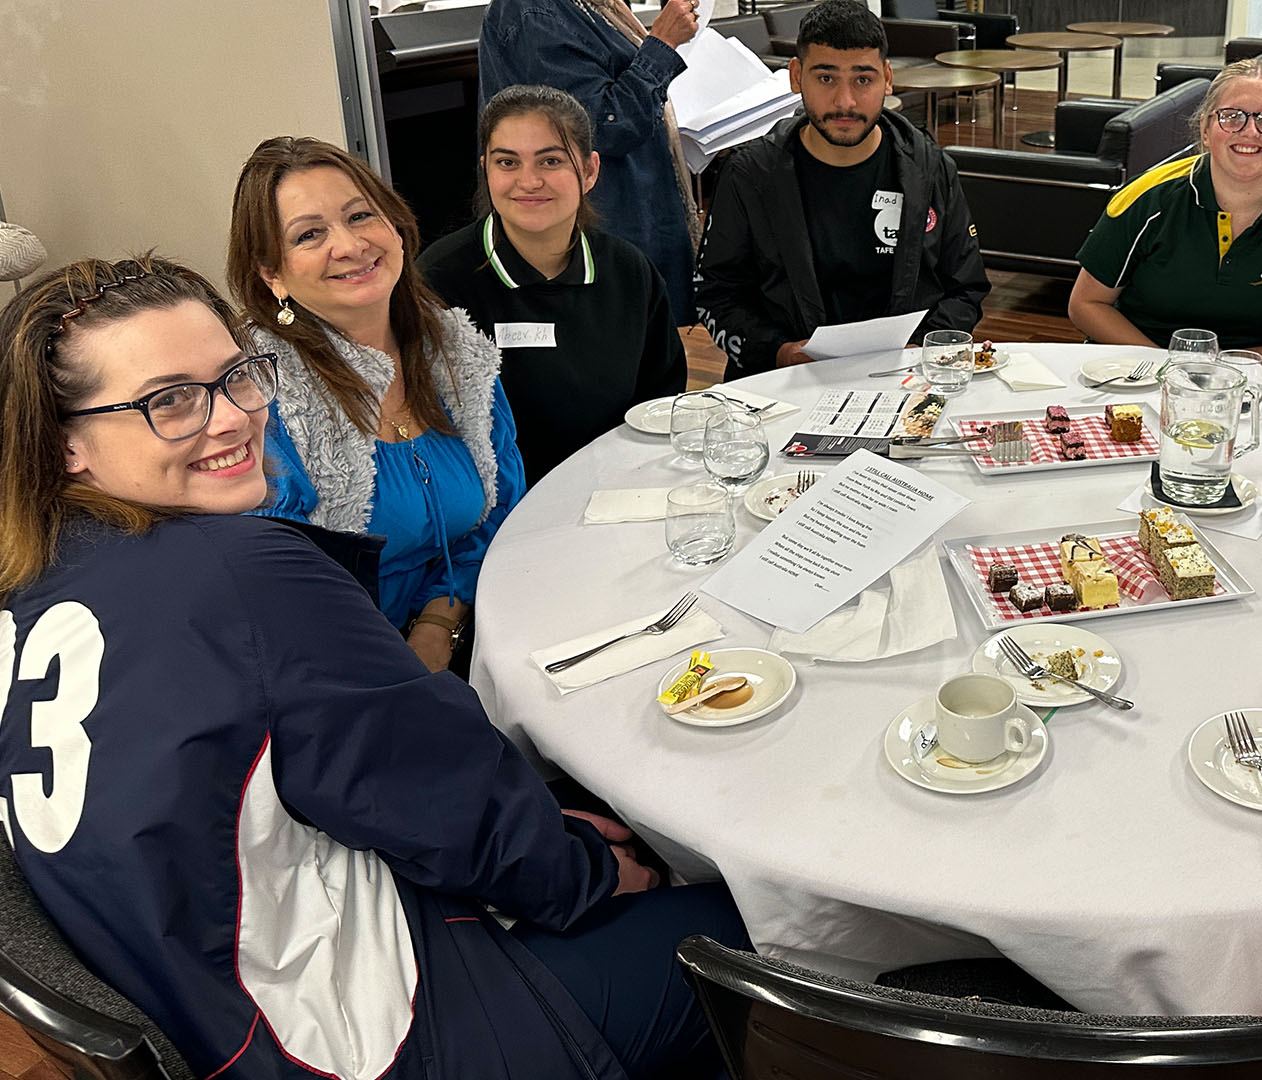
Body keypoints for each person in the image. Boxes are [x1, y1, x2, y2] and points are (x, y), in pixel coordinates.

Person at [0, 254, 750, 1080]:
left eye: (237, 376)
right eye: (168, 401)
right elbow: (455, 806)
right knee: (747, 937)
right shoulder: (244, 572)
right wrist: (594, 871)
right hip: (349, 1040)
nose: (230, 419)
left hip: (196, 999)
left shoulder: (29, 577)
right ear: (65, 443)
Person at [229, 136, 523, 674]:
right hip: (341, 672)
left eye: (360, 215)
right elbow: (281, 588)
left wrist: (438, 626)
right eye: (309, 234)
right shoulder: (257, 398)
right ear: (272, 273)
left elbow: (500, 508)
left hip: (476, 626)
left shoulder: (458, 353)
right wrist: (406, 665)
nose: (349, 244)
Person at [694, 0, 990, 378]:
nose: (845, 101)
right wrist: (779, 352)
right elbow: (716, 292)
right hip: (783, 384)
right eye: (826, 78)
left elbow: (966, 287)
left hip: (907, 379)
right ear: (796, 75)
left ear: (887, 77)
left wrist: (924, 348)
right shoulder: (750, 174)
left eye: (863, 79)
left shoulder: (930, 169)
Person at [421, 85, 688, 486]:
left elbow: (661, 402)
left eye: (550, 161)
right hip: (499, 509)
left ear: (589, 171)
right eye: (507, 162)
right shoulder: (440, 283)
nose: (528, 181)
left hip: (620, 488)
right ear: (486, 170)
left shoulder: (630, 271)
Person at [1068, 59, 1262, 364]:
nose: (1249, 131)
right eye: (1231, 117)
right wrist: (1169, 367)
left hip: (1253, 380)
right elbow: (1086, 304)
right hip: (1137, 371)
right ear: (1205, 129)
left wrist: (1218, 369)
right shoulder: (1146, 199)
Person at [481, 0, 702, 326]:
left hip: (632, 218)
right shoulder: (534, 12)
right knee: (617, 354)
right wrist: (663, 42)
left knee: (651, 355)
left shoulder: (590, 5)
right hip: (597, 232)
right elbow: (602, 126)